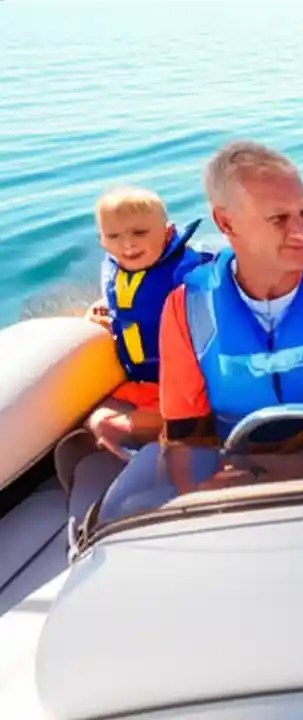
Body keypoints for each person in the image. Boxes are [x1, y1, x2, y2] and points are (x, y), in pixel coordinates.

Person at [99, 140, 303, 516]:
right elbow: (186, 436)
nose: (302, 233)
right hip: (240, 497)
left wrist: (274, 475)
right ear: (226, 223)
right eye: (279, 219)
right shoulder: (186, 310)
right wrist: (201, 498)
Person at [54, 186, 208, 498]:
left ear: (168, 233)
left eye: (139, 232)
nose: (127, 244)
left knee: (106, 424)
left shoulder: (186, 272)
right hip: (139, 379)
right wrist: (105, 315)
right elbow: (127, 303)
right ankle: (135, 452)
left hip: (180, 385)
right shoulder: (113, 268)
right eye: (113, 236)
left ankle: (159, 460)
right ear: (101, 240)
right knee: (93, 417)